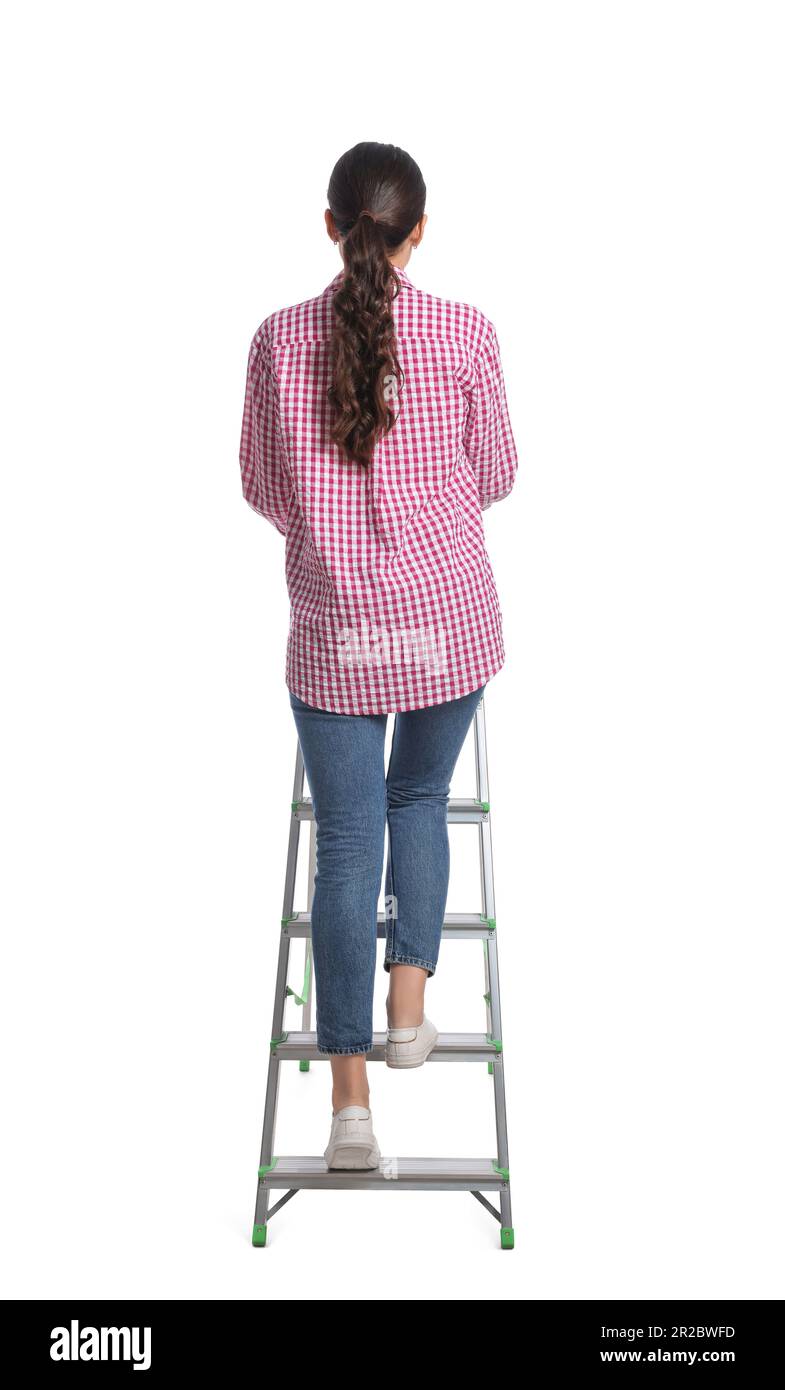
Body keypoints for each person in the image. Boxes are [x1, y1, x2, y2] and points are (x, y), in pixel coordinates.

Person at [239, 141, 518, 1169]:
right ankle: (410, 1012)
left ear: (329, 227)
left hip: (332, 633)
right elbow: (494, 472)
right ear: (417, 232)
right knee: (417, 805)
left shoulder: (278, 338)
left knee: (348, 844)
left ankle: (347, 1105)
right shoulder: (464, 332)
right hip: (446, 621)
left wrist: (332, 540)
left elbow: (262, 486)